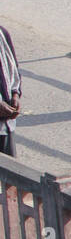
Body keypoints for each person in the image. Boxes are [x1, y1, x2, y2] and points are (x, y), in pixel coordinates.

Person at [0, 25, 21, 158]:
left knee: (11, 172)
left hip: (5, 125)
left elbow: (12, 67)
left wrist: (15, 94)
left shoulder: (2, 34)